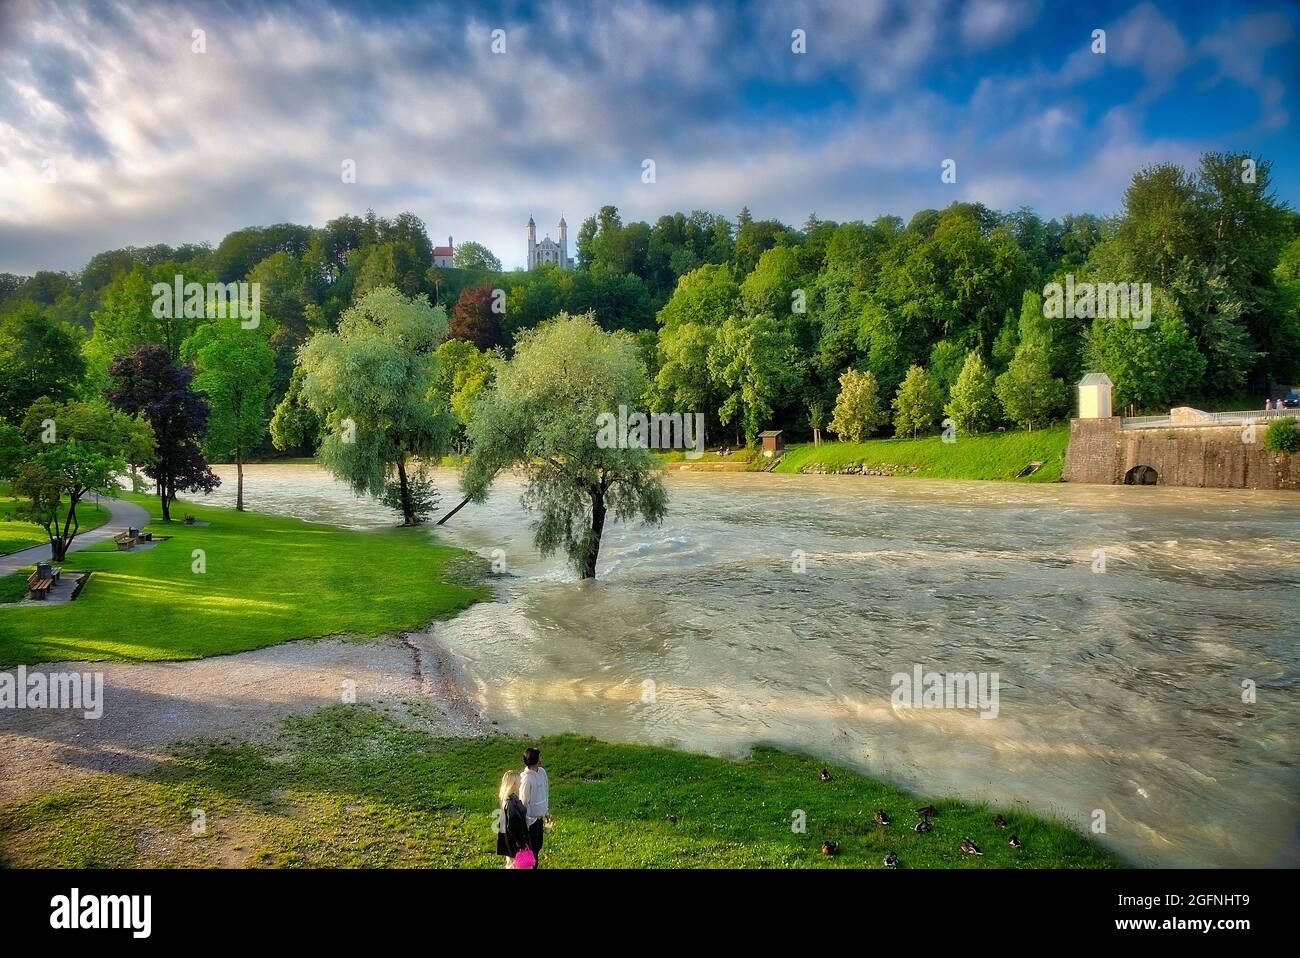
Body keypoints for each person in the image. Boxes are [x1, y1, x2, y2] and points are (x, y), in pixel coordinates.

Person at [518, 747, 549, 868]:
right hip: (531, 821)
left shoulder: (542, 772)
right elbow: (524, 801)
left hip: (541, 816)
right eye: (540, 757)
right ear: (535, 760)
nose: (541, 759)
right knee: (532, 849)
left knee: (538, 845)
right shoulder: (526, 779)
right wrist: (528, 821)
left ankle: (535, 864)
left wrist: (546, 810)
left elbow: (545, 791)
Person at [495, 770, 530, 867]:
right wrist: (522, 844)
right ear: (513, 784)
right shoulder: (510, 803)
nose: (521, 782)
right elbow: (513, 825)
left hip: (511, 844)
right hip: (515, 845)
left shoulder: (510, 799)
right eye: (519, 781)